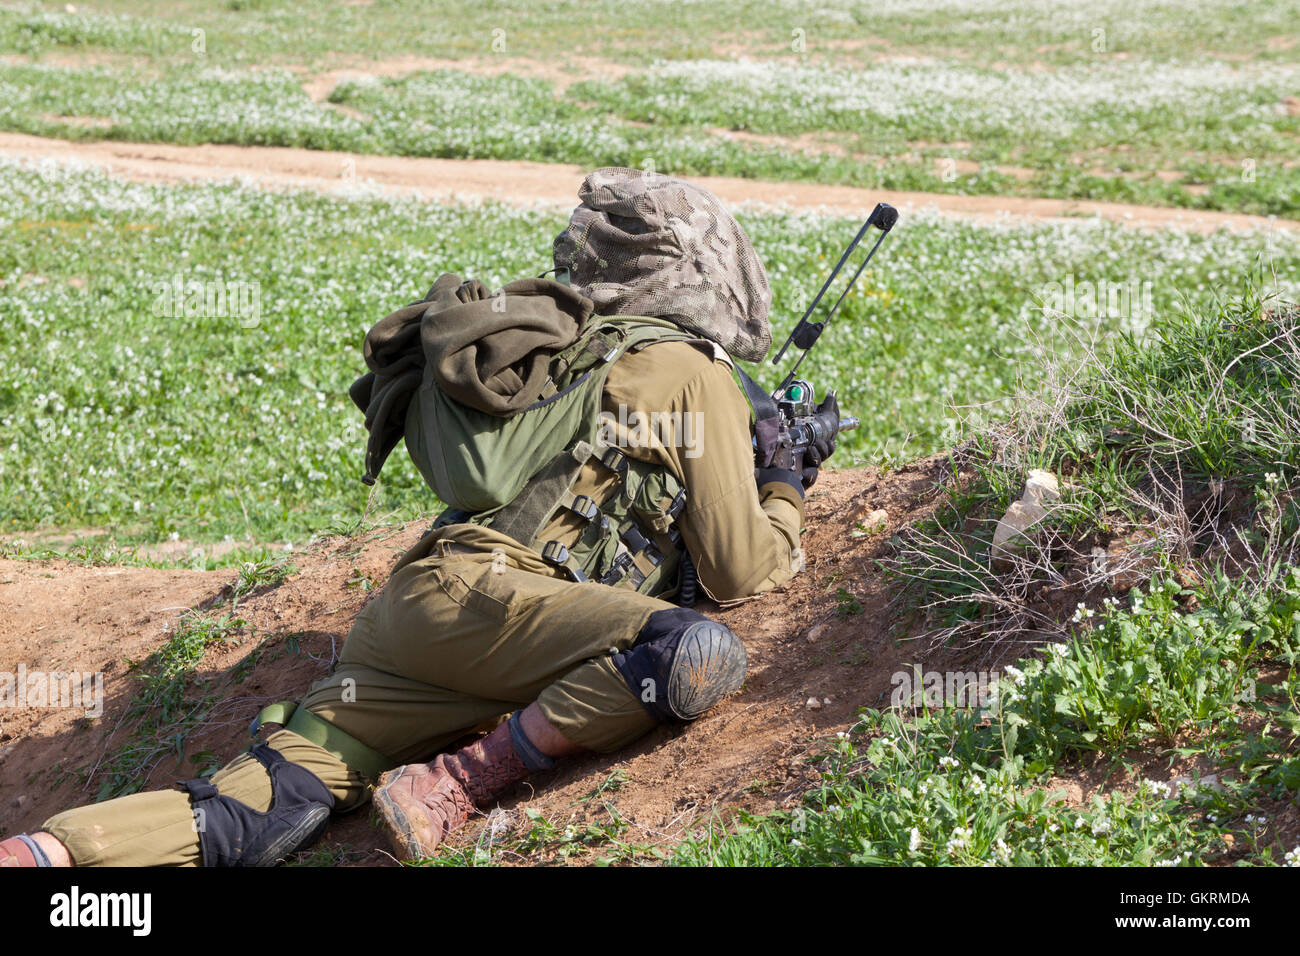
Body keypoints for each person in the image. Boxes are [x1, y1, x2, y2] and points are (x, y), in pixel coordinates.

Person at [0, 168, 839, 867]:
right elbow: (738, 571)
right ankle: (460, 781)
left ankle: (50, 856)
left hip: (421, 617)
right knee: (682, 650)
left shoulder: (574, 350)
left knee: (256, 809)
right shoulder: (694, 370)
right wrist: (784, 483)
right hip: (501, 607)